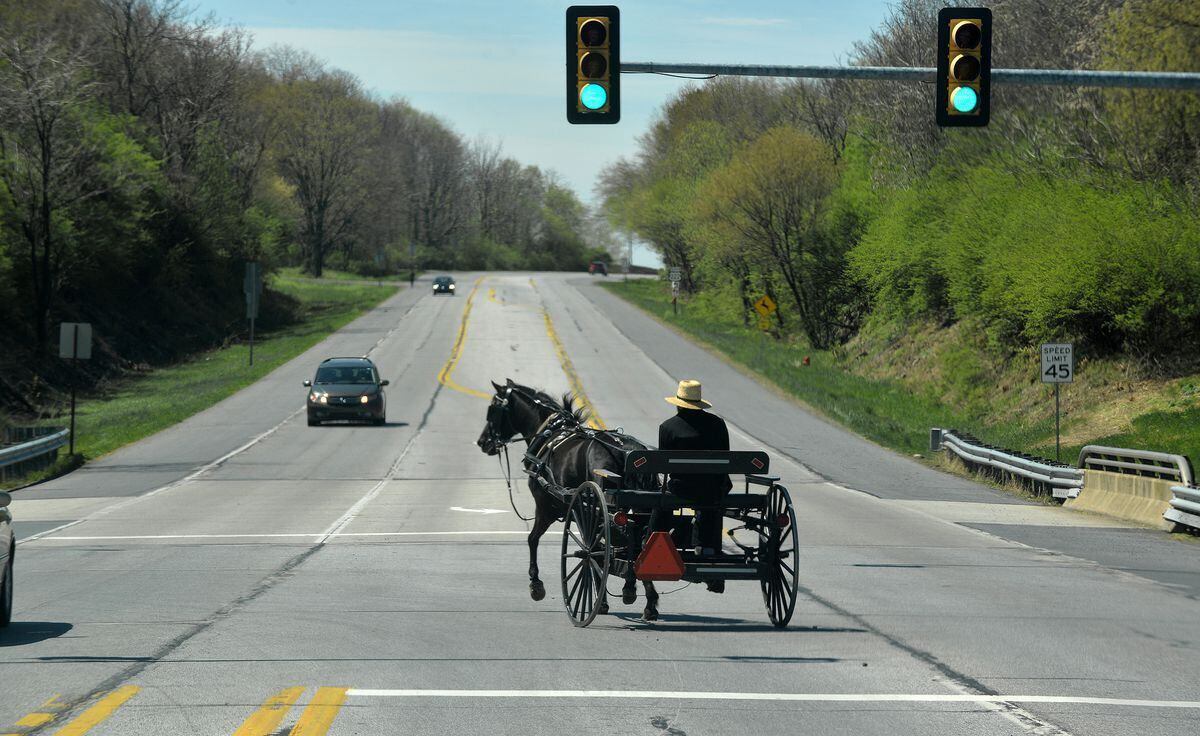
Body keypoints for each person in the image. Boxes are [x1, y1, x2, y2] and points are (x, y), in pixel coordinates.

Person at [657, 379, 732, 592]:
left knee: (660, 499)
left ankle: (654, 536)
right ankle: (708, 548)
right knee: (712, 501)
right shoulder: (718, 424)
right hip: (713, 488)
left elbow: (663, 464)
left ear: (678, 403)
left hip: (682, 488)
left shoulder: (668, 427)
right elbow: (725, 456)